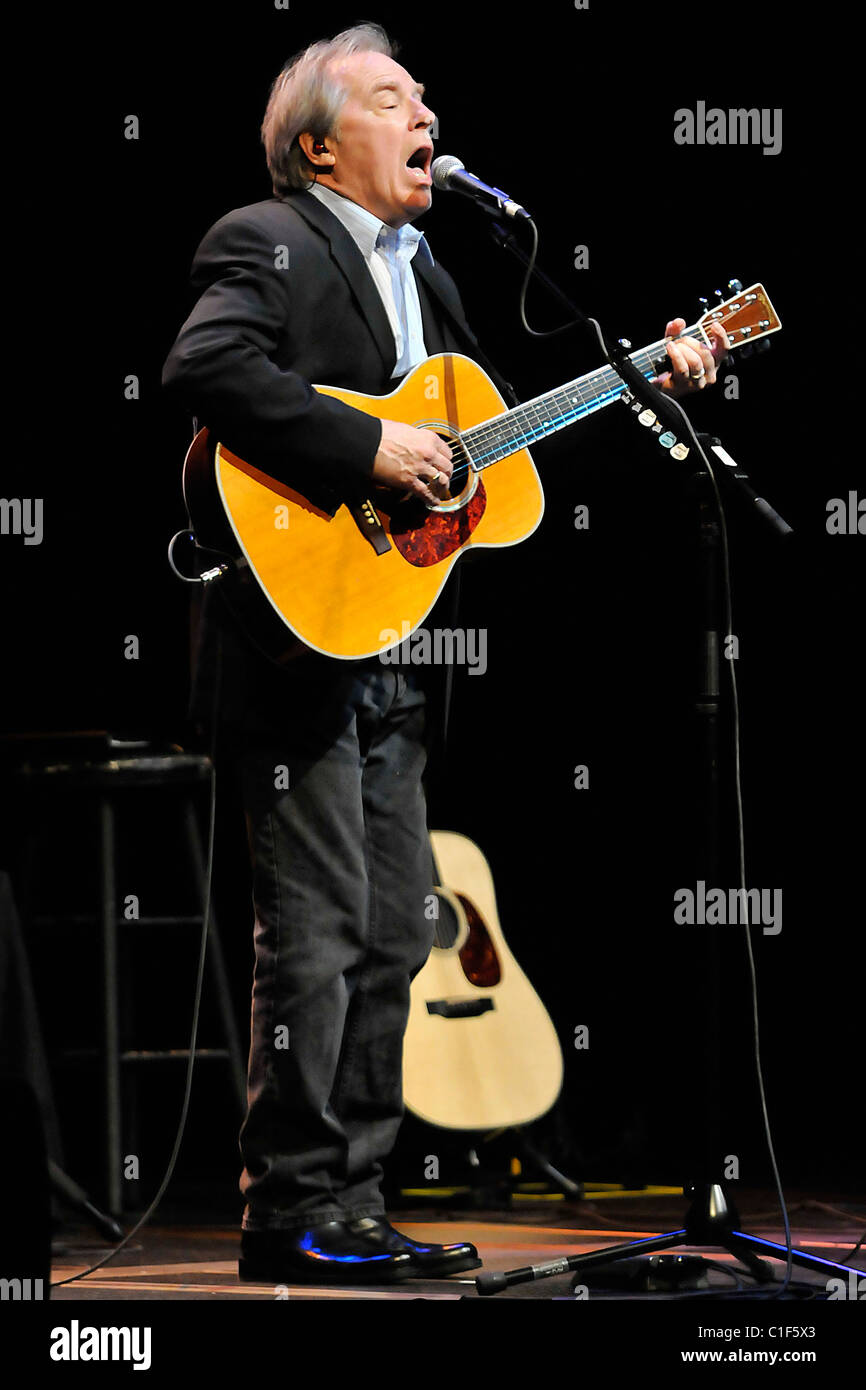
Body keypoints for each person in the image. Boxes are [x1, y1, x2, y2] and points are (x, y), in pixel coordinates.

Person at [162, 22, 728, 1286]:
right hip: (290, 642)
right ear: (319, 146)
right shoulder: (271, 239)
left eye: (425, 97)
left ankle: (350, 1206)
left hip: (393, 645)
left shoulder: (433, 276)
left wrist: (641, 380)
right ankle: (290, 1211)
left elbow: (487, 460)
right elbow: (203, 368)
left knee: (385, 929)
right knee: (309, 932)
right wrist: (365, 453)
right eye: (389, 99)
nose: (425, 116)